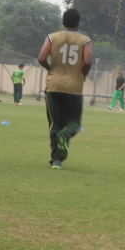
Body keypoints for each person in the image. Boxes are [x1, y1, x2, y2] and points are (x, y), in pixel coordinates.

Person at [37, 9, 92, 169]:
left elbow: (41, 58)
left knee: (55, 123)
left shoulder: (52, 37)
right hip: (74, 86)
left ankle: (56, 160)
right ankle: (65, 134)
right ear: (78, 23)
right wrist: (81, 73)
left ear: (63, 23)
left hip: (53, 85)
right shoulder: (85, 40)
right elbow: (87, 61)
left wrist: (50, 69)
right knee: (74, 122)